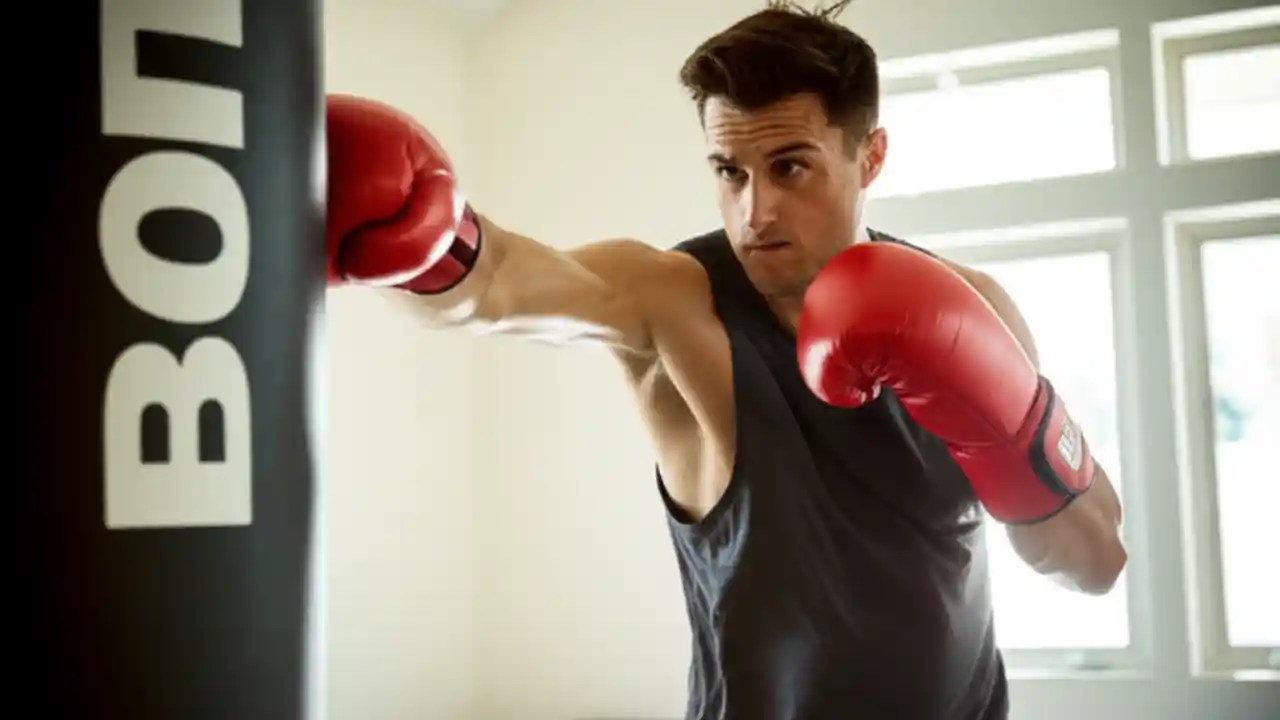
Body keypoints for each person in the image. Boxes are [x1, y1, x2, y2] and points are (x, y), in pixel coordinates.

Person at [325, 2, 1127, 718]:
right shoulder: (675, 300)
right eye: (728, 171)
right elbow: (500, 283)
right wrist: (425, 238)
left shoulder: (974, 305)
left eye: (790, 167)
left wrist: (1008, 439)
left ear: (870, 156)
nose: (755, 210)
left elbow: (1095, 562)